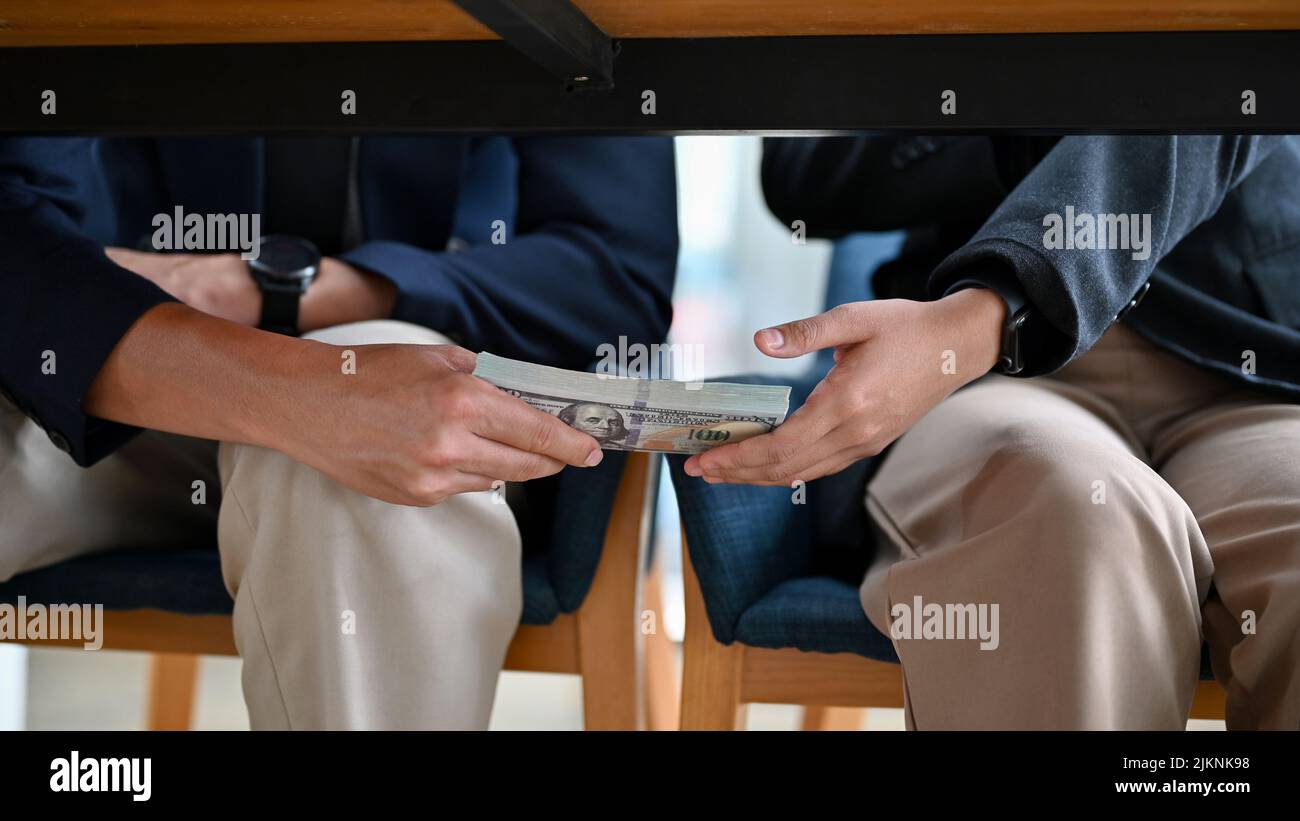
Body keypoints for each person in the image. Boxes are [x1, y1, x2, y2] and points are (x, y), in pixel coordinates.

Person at [0, 135, 677, 729]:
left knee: (386, 467)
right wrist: (297, 391)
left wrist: (272, 292)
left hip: (420, 362)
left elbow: (614, 272)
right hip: (114, 365)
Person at [687, 135, 1300, 729]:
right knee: (1070, 512)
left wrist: (996, 303)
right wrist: (1032, 106)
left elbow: (1232, 82)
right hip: (986, 379)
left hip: (1254, 368)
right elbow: (802, 170)